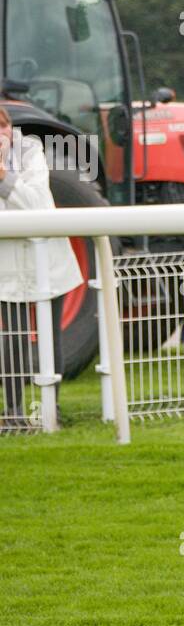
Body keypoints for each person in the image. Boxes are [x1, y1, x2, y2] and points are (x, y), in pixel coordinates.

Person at [0, 107, 83, 424]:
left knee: (51, 336)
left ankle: (52, 408)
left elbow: (37, 205)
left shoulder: (32, 152)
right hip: (7, 267)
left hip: (48, 262)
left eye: (3, 128)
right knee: (13, 339)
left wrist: (4, 179)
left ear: (10, 128)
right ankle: (13, 412)